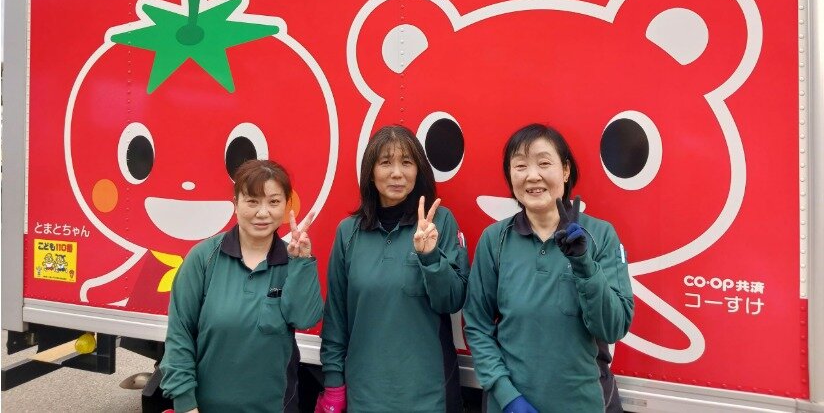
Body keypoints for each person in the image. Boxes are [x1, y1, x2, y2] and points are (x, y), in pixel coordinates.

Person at [463, 124, 634, 413]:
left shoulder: (600, 235)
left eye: (544, 163)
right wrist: (507, 396)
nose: (532, 175)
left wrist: (584, 264)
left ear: (565, 170)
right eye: (520, 166)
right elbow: (477, 324)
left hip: (580, 403)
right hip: (509, 404)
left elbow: (613, 327)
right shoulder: (495, 239)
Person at [317, 125, 469, 413]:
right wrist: (334, 383)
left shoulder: (440, 222)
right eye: (386, 162)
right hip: (365, 396)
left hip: (429, 396)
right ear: (370, 172)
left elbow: (452, 300)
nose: (397, 173)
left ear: (418, 170)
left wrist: (430, 257)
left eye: (407, 162)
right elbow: (336, 317)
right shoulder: (348, 232)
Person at [160, 159, 323, 412]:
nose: (263, 212)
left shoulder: (292, 261)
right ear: (236, 204)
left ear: (286, 206)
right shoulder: (203, 258)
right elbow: (180, 335)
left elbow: (305, 319)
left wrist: (302, 263)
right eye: (252, 201)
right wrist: (185, 403)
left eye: (273, 202)